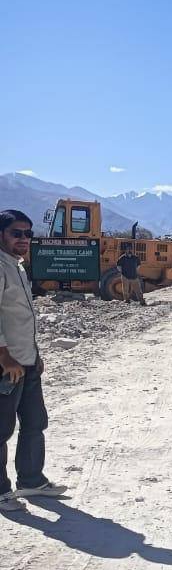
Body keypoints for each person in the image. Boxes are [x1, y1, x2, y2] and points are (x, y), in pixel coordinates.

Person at [0, 210, 67, 512]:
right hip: (6, 365)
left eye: (28, 234)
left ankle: (31, 480)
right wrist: (5, 356)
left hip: (25, 361)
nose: (24, 239)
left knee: (35, 422)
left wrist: (34, 354)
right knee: (1, 430)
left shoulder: (17, 267)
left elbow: (21, 317)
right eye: (17, 233)